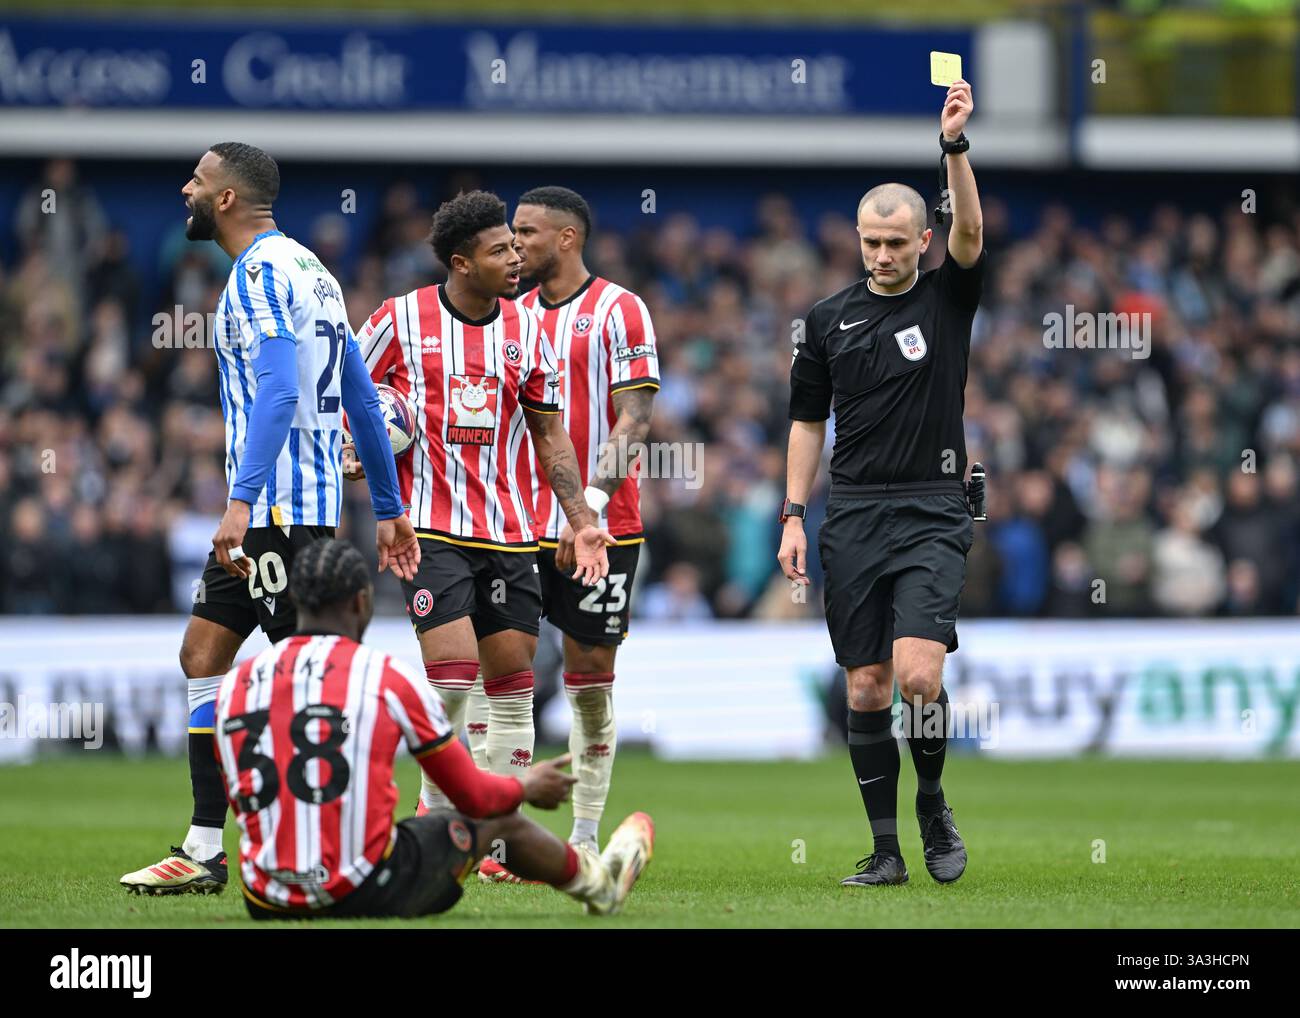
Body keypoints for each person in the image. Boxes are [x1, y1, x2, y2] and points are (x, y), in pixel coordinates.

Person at [120, 142, 420, 895]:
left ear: (225, 199)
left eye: (196, 179)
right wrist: (387, 507)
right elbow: (356, 392)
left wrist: (240, 503)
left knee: (317, 683)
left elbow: (282, 393)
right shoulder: (312, 270)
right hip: (298, 512)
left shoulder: (255, 273)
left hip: (278, 517)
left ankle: (347, 849)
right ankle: (203, 847)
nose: (185, 188)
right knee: (202, 655)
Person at [346, 191, 614, 876]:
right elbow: (346, 392)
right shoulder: (399, 320)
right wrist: (354, 450)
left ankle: (497, 834)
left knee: (514, 687)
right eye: (501, 249)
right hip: (430, 527)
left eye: (517, 245)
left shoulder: (528, 334)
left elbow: (552, 438)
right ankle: (438, 822)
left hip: (511, 533)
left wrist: (581, 520)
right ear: (462, 262)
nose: (517, 256)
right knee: (454, 679)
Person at [211, 537, 653, 919]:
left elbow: (238, 791)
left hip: (264, 896)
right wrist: (526, 787)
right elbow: (475, 797)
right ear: (361, 602)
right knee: (499, 822)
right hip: (363, 889)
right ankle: (599, 884)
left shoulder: (236, 685)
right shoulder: (382, 677)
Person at [778, 79, 984, 887]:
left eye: (897, 243)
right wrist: (793, 514)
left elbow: (972, 225)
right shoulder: (826, 322)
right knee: (864, 686)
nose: (882, 255)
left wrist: (955, 146)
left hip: (933, 508)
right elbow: (804, 423)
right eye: (871, 242)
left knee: (917, 675)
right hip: (852, 513)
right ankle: (887, 850)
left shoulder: (949, 296)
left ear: (923, 240)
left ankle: (932, 800)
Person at [494, 185, 660, 866]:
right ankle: (498, 836)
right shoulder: (508, 315)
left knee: (589, 677)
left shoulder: (620, 310)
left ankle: (585, 835)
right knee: (502, 677)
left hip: (602, 524)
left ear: (566, 238)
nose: (513, 245)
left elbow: (636, 420)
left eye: (525, 234)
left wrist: (584, 506)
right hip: (510, 524)